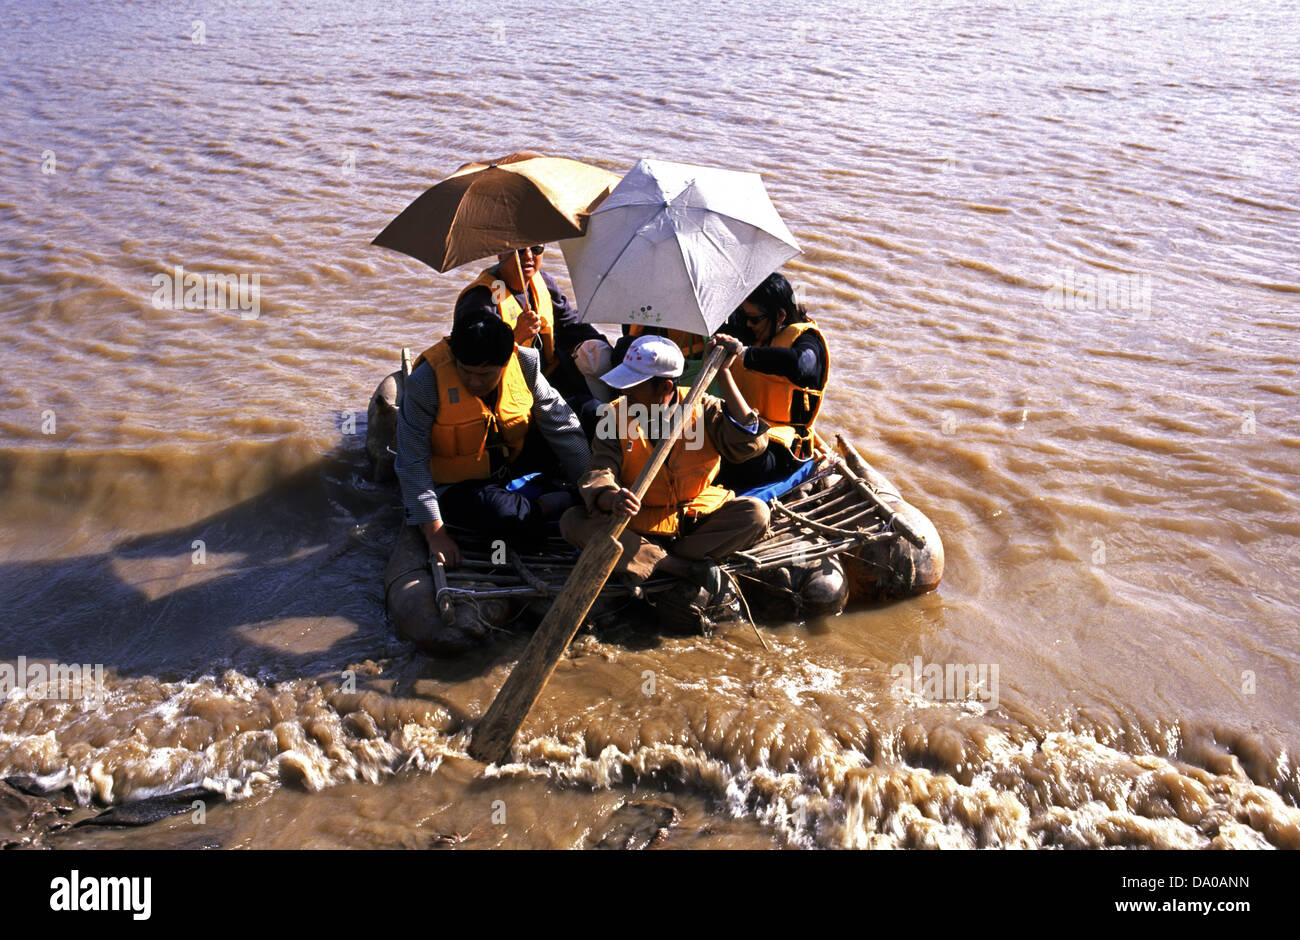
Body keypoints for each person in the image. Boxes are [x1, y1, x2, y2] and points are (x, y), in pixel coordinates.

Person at [559, 334, 770, 598]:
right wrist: (612, 498)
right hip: (637, 524)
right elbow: (600, 471)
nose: (625, 393)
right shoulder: (613, 415)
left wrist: (724, 374)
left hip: (694, 522)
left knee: (756, 513)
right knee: (572, 521)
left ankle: (651, 560)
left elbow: (751, 444)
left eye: (634, 386)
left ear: (665, 387)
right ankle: (677, 567)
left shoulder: (704, 408)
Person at [395, 310, 591, 569]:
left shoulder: (523, 363)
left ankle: (568, 493)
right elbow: (411, 458)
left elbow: (560, 423)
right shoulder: (426, 381)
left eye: (485, 374)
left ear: (505, 363)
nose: (474, 382)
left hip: (511, 462)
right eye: (466, 372)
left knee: (590, 414)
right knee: (505, 516)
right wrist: (435, 532)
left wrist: (590, 485)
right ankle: (551, 503)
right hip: (458, 484)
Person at [717, 272, 829, 493]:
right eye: (746, 317)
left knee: (734, 465)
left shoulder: (808, 342)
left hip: (783, 449)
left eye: (755, 319)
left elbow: (799, 364)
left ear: (780, 315)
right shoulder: (755, 328)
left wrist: (744, 353)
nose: (748, 324)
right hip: (742, 430)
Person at [454, 244, 604, 402]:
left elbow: (571, 322)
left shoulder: (542, 281)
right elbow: (474, 362)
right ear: (500, 253)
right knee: (587, 409)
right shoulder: (480, 299)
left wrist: (606, 348)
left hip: (547, 377)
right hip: (508, 387)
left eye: (536, 249)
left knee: (596, 350)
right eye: (519, 249)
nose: (528, 255)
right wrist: (516, 336)